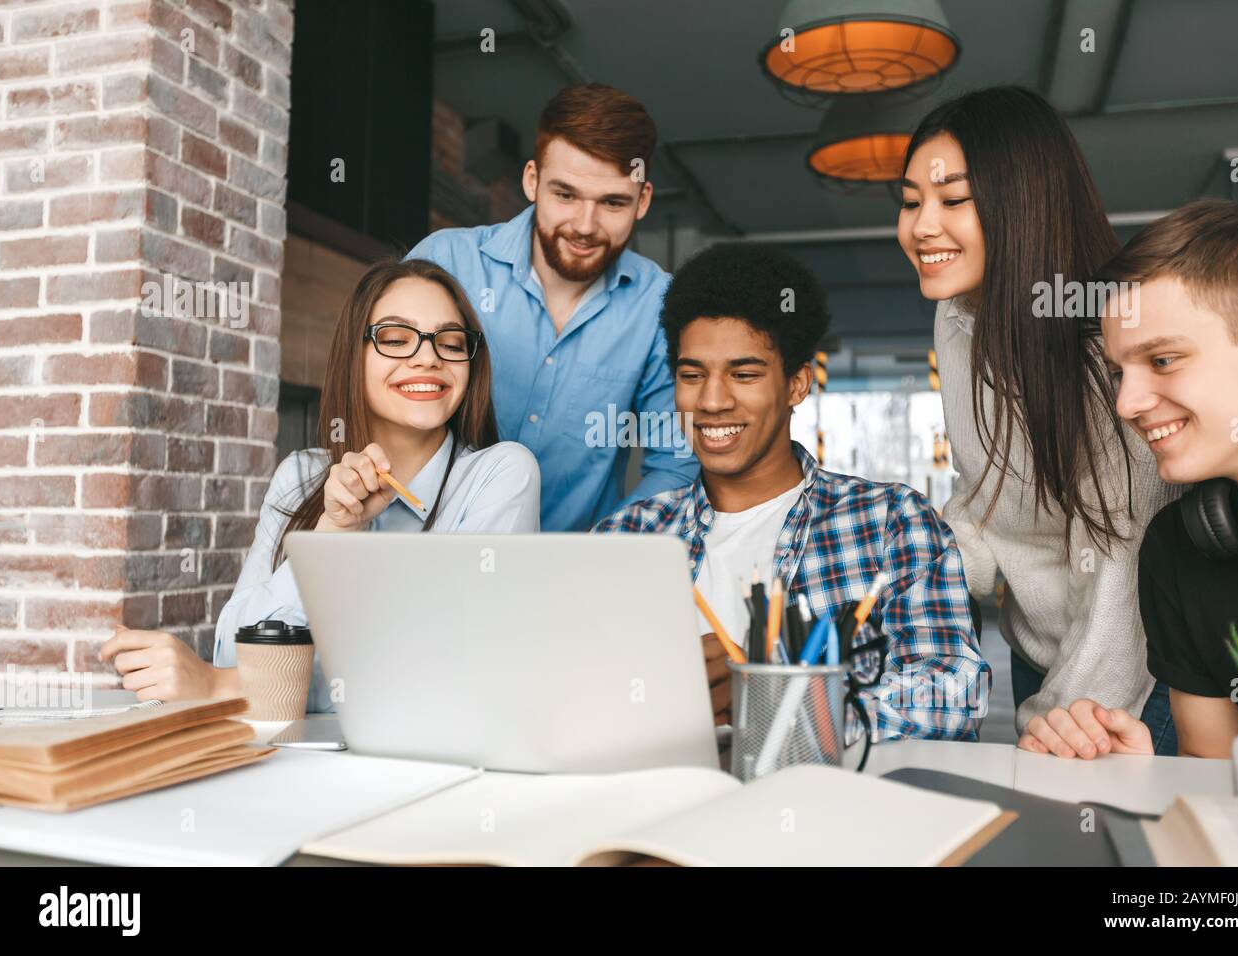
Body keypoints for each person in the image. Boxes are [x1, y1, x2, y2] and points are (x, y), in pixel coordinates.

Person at [99, 259, 540, 711]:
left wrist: (224, 686)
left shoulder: (502, 475)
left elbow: (447, 676)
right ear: (355, 354)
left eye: (450, 342)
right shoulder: (301, 475)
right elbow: (234, 650)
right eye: (394, 339)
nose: (428, 357)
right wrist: (332, 532)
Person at [594, 243, 990, 741]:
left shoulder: (889, 522)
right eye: (692, 375)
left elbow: (952, 695)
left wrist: (771, 708)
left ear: (797, 384)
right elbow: (571, 695)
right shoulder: (625, 535)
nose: (712, 401)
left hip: (824, 807)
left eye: (744, 374)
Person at [897, 86, 1179, 754]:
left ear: (1020, 202)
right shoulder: (958, 316)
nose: (921, 227)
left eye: (952, 200)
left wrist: (1054, 720)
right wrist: (905, 560)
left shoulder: (1102, 347)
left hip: (1137, 663)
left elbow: (1120, 569)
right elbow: (988, 495)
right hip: (1039, 644)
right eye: (910, 203)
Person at [1019, 199, 1238, 759]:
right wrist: (1144, 774)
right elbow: (1220, 783)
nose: (1127, 403)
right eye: (1119, 372)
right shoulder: (1178, 548)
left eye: (1163, 360)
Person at [406, 83, 698, 531]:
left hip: (573, 580)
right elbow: (377, 399)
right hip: (430, 554)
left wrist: (600, 549)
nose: (584, 226)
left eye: (612, 203)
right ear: (531, 180)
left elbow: (675, 464)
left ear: (642, 202)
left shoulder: (660, 305)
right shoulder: (446, 264)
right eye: (565, 195)